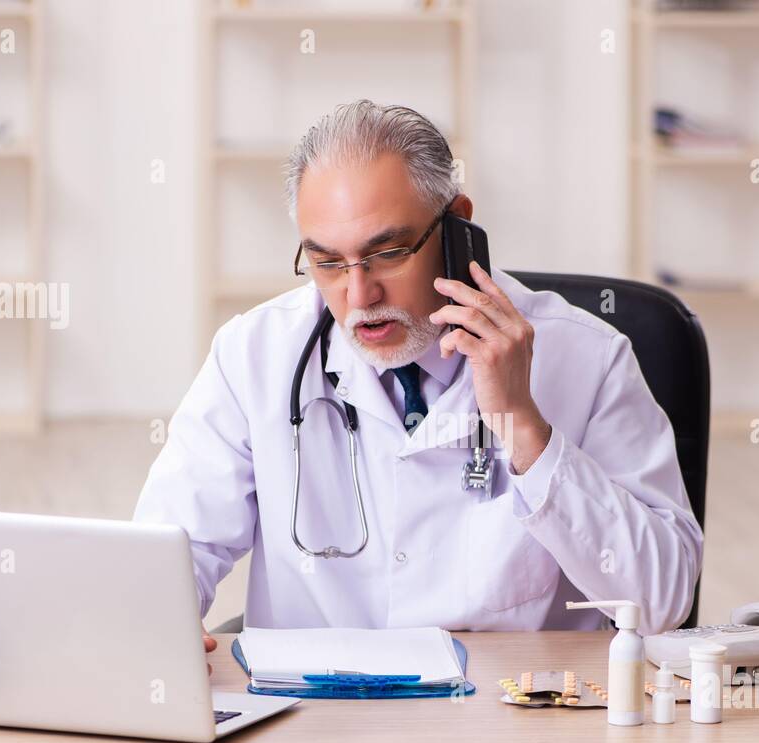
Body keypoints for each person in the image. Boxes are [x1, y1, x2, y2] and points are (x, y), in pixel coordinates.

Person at [134, 99, 702, 657]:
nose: (359, 295)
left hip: (514, 707)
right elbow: (170, 553)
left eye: (388, 252)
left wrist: (524, 427)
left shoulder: (589, 357)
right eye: (327, 263)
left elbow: (662, 600)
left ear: (459, 224)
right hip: (314, 705)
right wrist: (162, 617)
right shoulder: (253, 354)